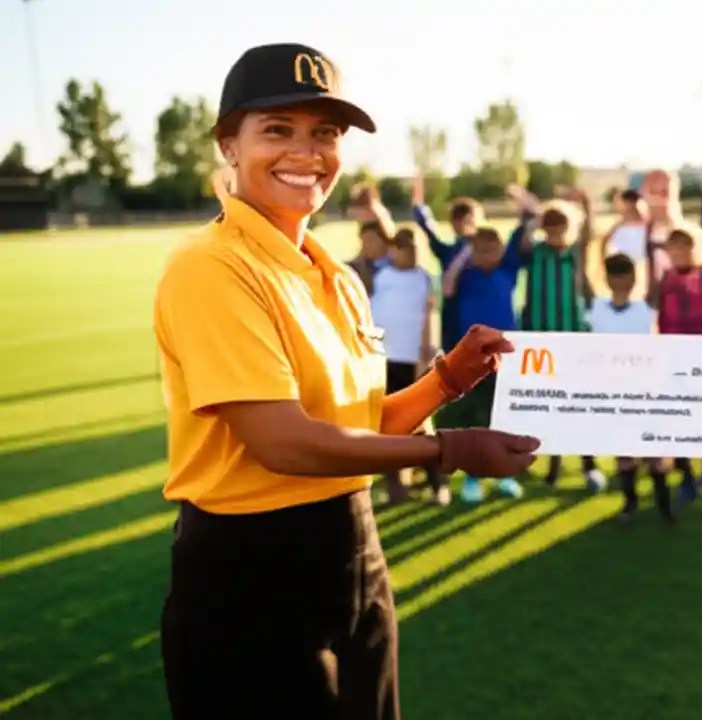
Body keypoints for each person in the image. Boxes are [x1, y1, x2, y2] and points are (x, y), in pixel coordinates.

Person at [153, 42, 539, 720]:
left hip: (354, 552)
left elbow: (358, 428)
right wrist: (448, 451)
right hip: (250, 573)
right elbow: (286, 444)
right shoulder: (211, 267)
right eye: (278, 130)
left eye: (324, 133)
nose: (307, 152)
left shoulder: (331, 272)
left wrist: (446, 379)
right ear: (228, 144)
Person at [507, 185, 608, 492]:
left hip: (573, 341)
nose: (554, 234)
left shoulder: (574, 255)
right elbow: (522, 241)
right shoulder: (536, 253)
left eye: (560, 228)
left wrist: (587, 203)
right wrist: (529, 215)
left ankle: (589, 463)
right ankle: (553, 464)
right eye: (548, 229)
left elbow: (590, 235)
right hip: (540, 341)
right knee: (549, 405)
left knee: (577, 402)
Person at [433, 224, 528, 503]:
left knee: (502, 419)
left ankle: (505, 476)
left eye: (493, 249)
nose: (488, 254)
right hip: (473, 358)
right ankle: (473, 479)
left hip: (505, 357)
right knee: (474, 420)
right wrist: (465, 254)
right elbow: (447, 286)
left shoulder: (507, 271)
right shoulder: (466, 276)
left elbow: (518, 236)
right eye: (481, 249)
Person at [653, 192, 702, 517]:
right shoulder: (664, 280)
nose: (680, 251)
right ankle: (686, 477)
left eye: (685, 245)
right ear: (668, 252)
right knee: (681, 424)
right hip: (673, 364)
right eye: (674, 246)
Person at [585, 253, 674, 523]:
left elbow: (657, 276)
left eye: (627, 274)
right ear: (608, 279)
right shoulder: (596, 309)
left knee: (655, 454)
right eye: (616, 275)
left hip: (647, 392)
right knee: (625, 456)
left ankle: (664, 506)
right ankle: (629, 504)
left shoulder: (645, 310)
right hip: (614, 396)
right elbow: (582, 271)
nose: (622, 280)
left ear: (635, 278)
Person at [370, 227, 449, 506]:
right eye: (403, 246)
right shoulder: (382, 276)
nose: (409, 251)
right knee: (386, 427)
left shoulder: (427, 280)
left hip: (415, 363)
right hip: (383, 361)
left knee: (419, 425)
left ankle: (438, 485)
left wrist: (425, 360)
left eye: (414, 246)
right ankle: (396, 487)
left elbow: (432, 319)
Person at [412, 181, 483, 355]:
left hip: (477, 320)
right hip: (454, 322)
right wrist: (418, 207)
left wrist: (419, 208)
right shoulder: (448, 252)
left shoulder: (488, 249)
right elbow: (428, 228)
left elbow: (427, 226)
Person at [348, 219, 391, 296]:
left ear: (385, 241)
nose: (366, 245)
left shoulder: (399, 266)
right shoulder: (355, 268)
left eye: (370, 240)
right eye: (363, 241)